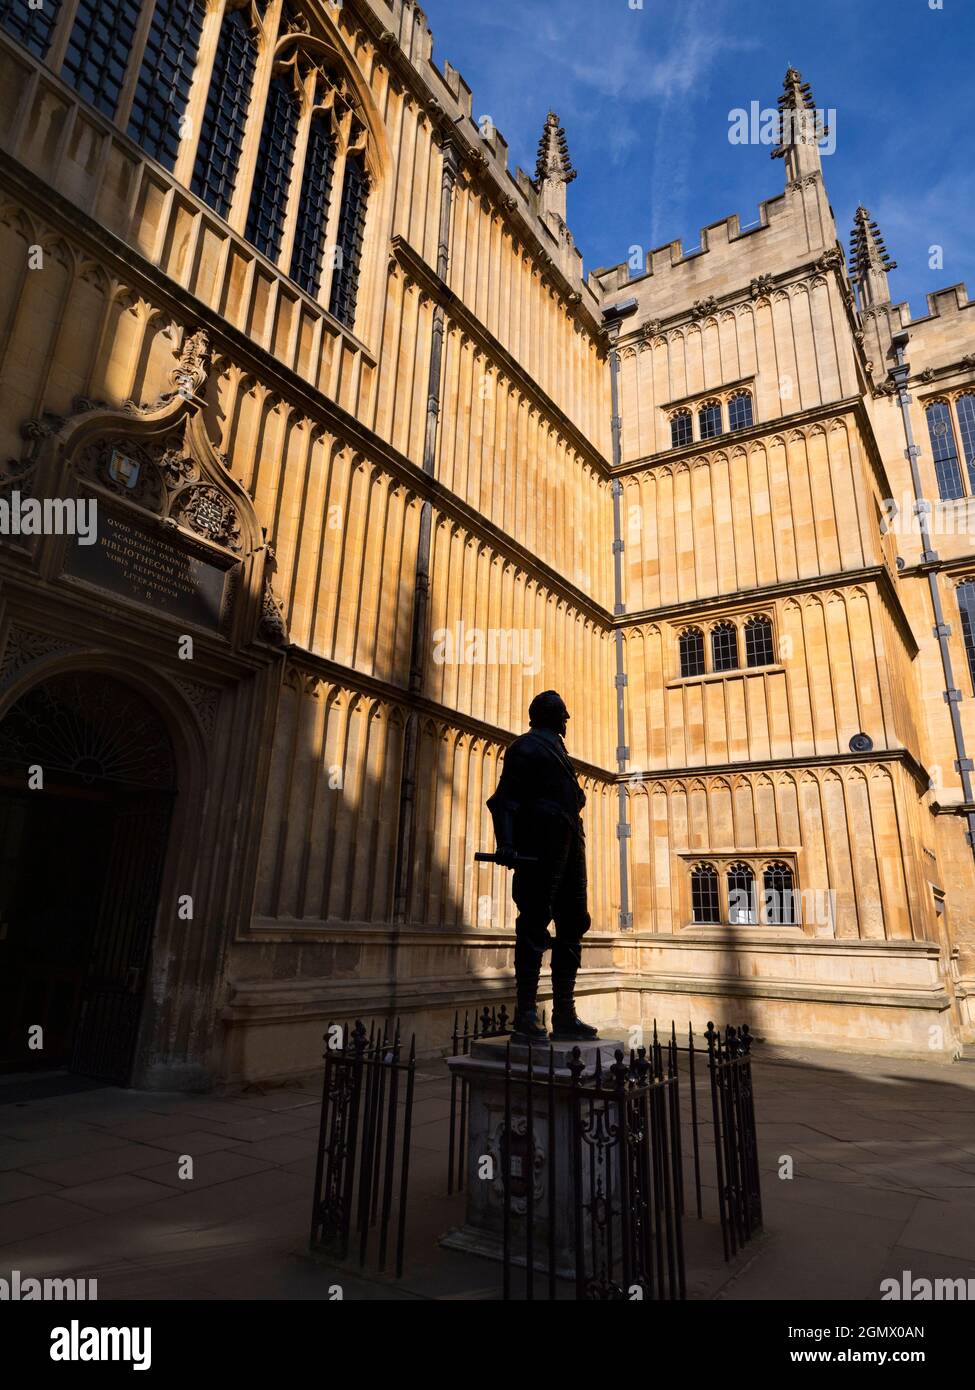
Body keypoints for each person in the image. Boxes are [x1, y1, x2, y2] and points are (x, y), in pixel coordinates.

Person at [486, 690, 599, 1043]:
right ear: (549, 715)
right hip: (542, 845)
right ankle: (525, 1013)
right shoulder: (526, 748)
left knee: (574, 921)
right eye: (564, 714)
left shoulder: (560, 752)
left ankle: (565, 1012)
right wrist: (505, 843)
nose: (568, 720)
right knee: (534, 924)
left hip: (570, 843)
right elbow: (504, 800)